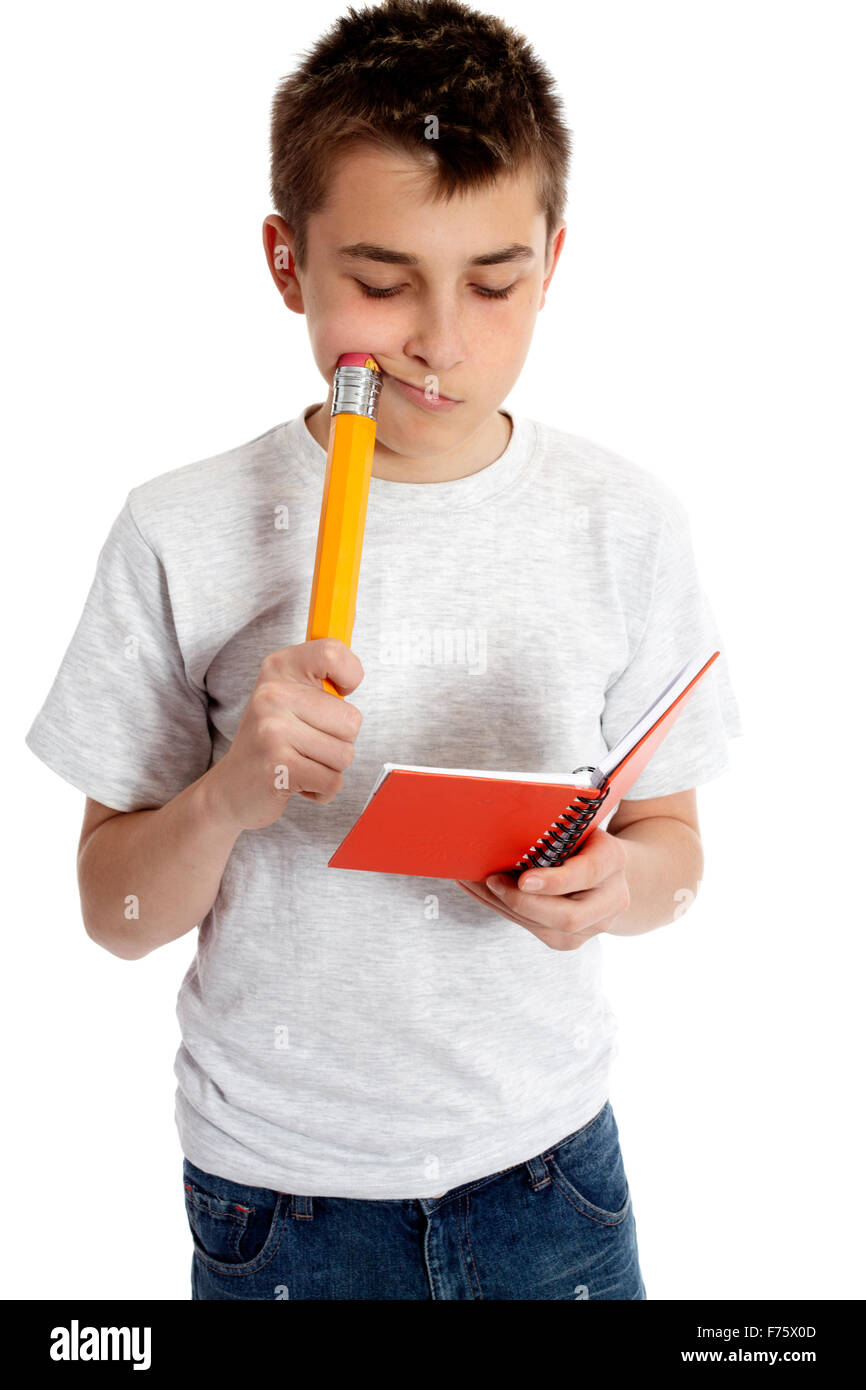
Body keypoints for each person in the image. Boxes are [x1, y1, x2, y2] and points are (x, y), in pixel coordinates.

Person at [25, 0, 742, 1300]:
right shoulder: (179, 530)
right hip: (280, 1203)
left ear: (554, 258)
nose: (439, 342)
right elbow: (113, 913)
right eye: (379, 278)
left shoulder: (623, 523)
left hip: (551, 1177)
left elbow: (678, 852)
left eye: (493, 279)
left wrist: (616, 894)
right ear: (285, 263)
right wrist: (225, 797)